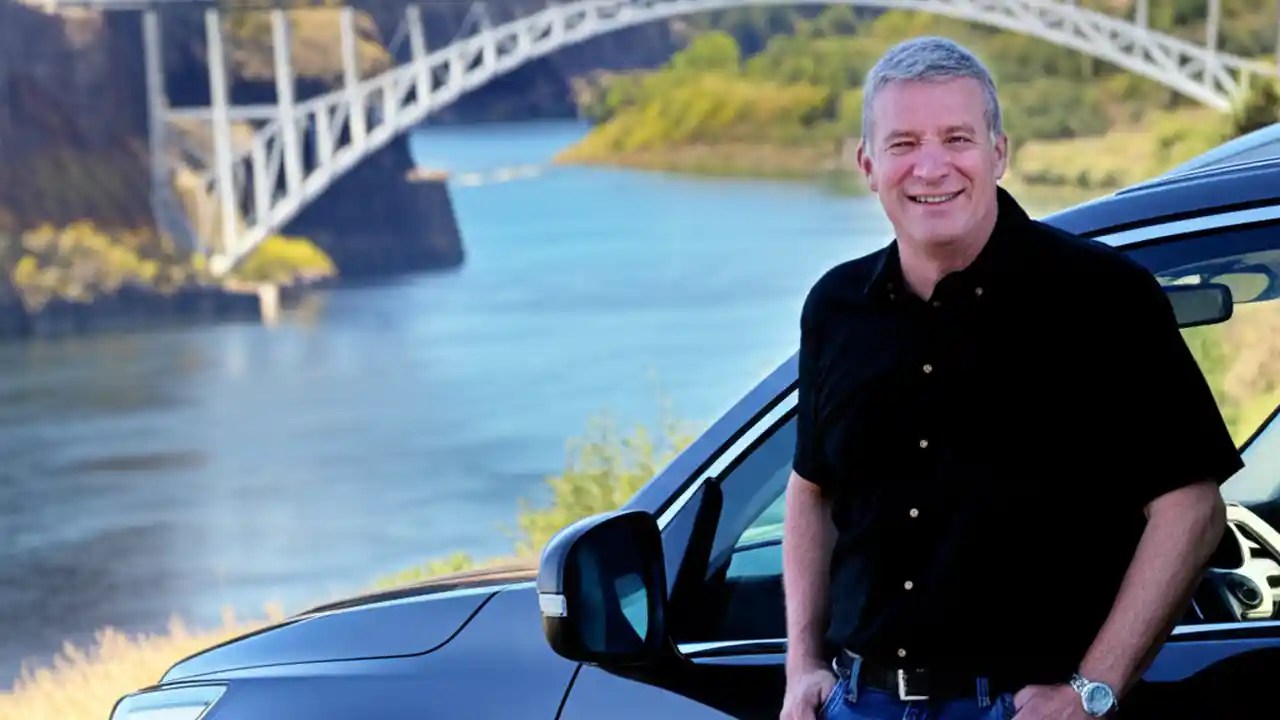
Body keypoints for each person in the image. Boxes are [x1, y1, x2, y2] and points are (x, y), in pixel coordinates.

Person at [781, 36, 1243, 720]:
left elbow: (1190, 509)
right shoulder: (835, 307)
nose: (931, 167)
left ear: (999, 153)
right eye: (904, 143)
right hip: (858, 702)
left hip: (1023, 708)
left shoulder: (1103, 299)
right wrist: (802, 666)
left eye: (957, 138)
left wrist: (1092, 693)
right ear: (867, 164)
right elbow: (809, 491)